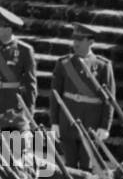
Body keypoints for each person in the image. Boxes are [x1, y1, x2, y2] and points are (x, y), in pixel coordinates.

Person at [48, 24, 114, 170]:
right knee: (69, 165)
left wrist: (105, 126)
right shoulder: (64, 63)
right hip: (67, 119)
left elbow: (108, 100)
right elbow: (55, 95)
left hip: (91, 122)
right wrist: (54, 122)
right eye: (74, 39)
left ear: (91, 42)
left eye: (80, 39)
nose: (75, 43)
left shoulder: (103, 66)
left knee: (87, 165)